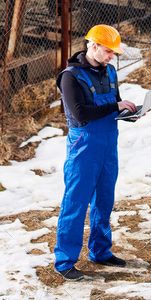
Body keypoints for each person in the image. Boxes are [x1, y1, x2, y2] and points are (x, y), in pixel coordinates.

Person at [53, 24, 137, 281]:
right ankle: (65, 261)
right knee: (76, 202)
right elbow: (80, 113)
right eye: (109, 51)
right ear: (93, 46)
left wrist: (128, 113)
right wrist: (115, 105)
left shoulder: (110, 71)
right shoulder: (70, 76)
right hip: (84, 147)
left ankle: (100, 251)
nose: (113, 56)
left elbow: (113, 105)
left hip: (109, 144)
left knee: (104, 200)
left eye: (114, 53)